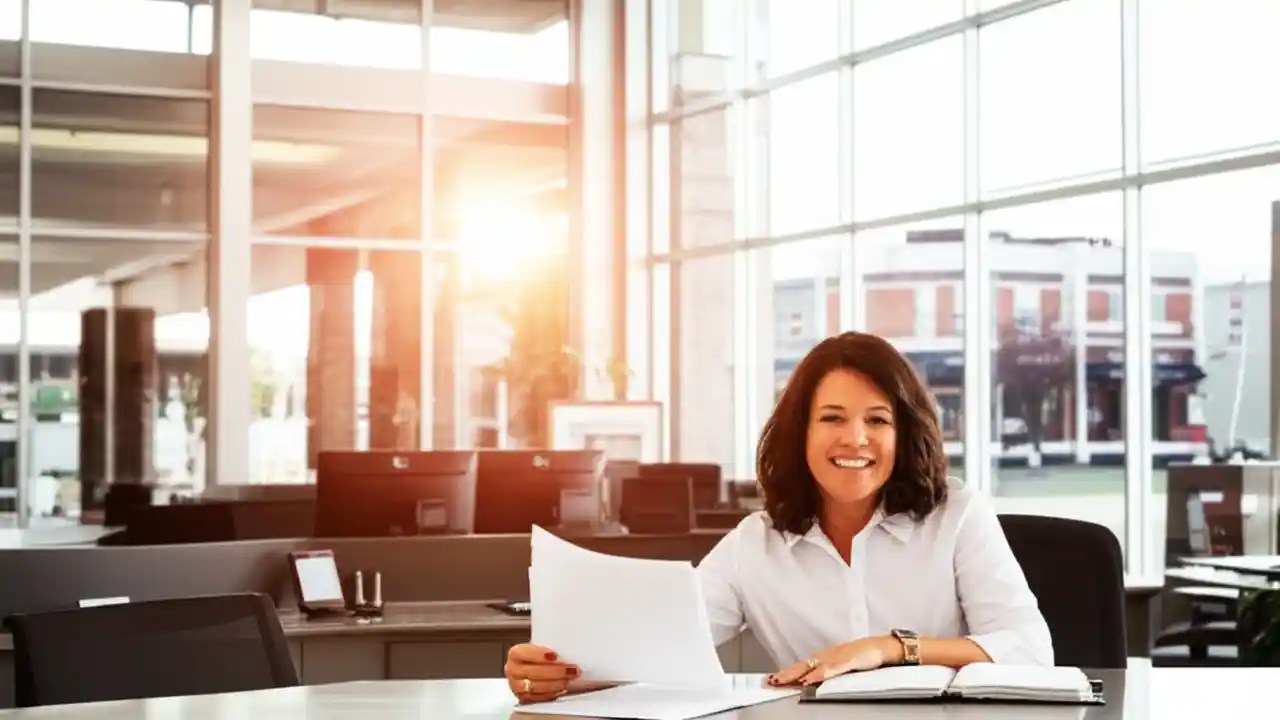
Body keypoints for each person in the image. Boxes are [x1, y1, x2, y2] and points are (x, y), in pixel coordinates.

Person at [504, 332, 1053, 703]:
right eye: (832, 418)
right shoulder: (755, 545)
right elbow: (660, 647)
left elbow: (1029, 649)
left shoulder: (957, 516)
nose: (855, 439)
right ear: (802, 434)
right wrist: (556, 671)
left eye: (878, 420)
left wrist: (889, 648)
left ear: (903, 433)